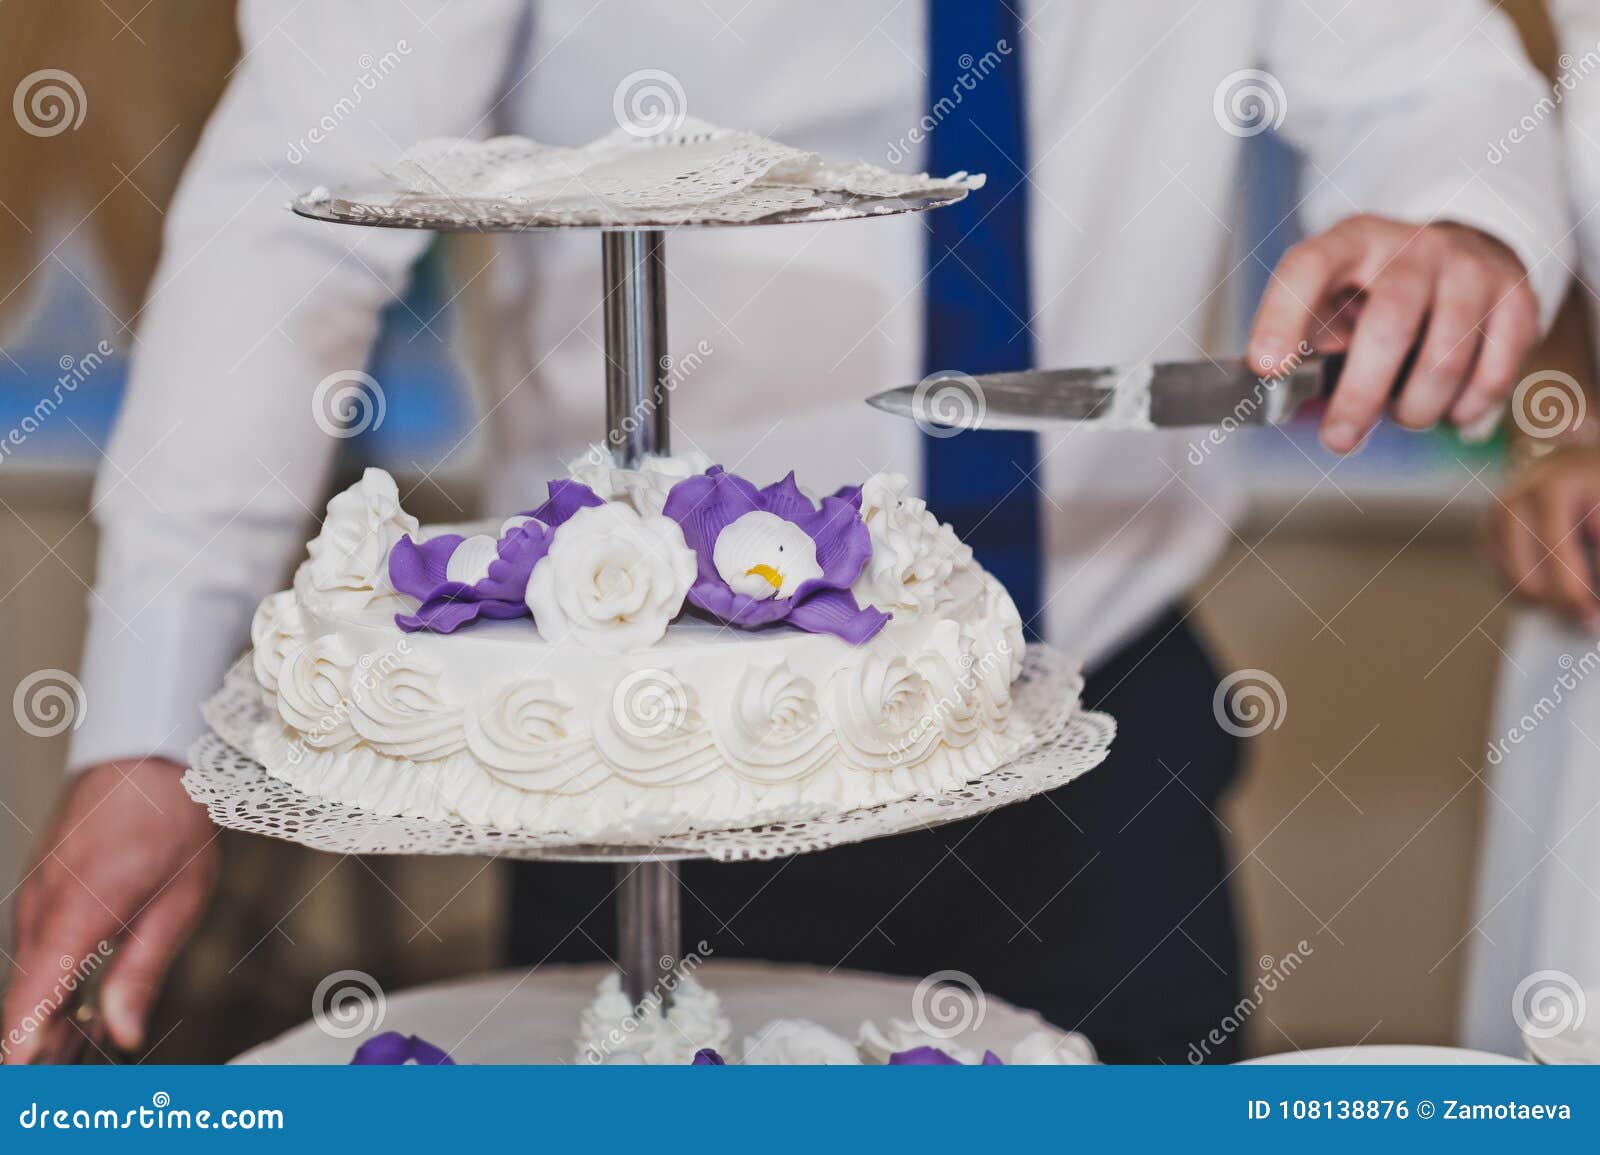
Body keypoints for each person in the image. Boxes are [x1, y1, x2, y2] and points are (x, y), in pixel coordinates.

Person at [3, 0, 1570, 1064]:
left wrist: (1452, 221)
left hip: (1105, 732)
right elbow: (297, 210)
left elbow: (1433, 78)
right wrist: (146, 720)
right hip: (642, 768)